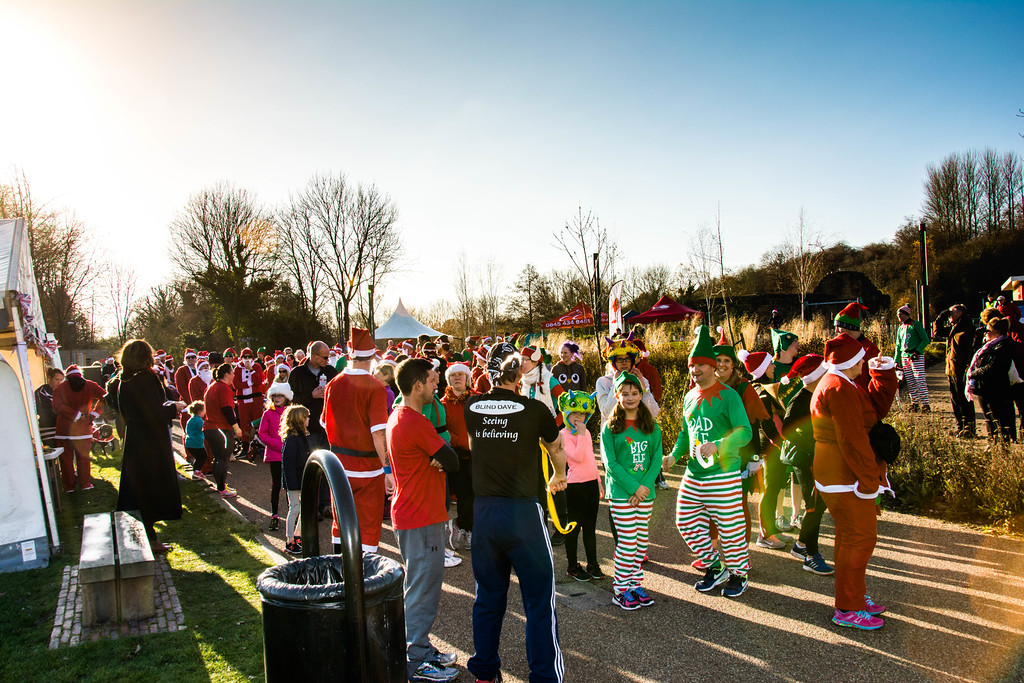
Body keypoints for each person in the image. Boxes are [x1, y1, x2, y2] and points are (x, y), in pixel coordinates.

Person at [465, 342, 568, 683]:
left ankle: (484, 672)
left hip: (485, 513)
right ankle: (544, 676)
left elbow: (474, 445)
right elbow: (556, 446)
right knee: (539, 600)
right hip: (523, 512)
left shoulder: (471, 407)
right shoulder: (534, 409)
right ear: (519, 371)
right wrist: (559, 474)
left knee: (487, 597)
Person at [811, 333, 897, 630]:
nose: (865, 361)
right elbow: (853, 438)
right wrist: (869, 479)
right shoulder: (839, 388)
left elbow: (873, 411)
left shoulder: (842, 382)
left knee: (850, 538)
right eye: (862, 358)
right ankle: (848, 607)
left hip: (840, 474)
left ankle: (854, 596)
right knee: (859, 539)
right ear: (851, 361)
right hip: (844, 476)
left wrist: (882, 373)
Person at [388, 358, 462, 682]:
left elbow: (444, 457)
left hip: (415, 513)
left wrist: (439, 456)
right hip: (419, 516)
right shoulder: (415, 422)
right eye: (432, 381)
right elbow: (453, 460)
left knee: (418, 587)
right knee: (422, 591)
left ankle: (419, 647)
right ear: (417, 385)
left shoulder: (399, 415)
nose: (436, 386)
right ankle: (415, 661)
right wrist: (440, 456)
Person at [666, 325, 753, 599]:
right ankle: (715, 567)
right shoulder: (689, 396)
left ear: (713, 367)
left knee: (730, 529)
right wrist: (673, 456)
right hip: (694, 474)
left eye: (701, 365)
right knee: (684, 521)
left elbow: (745, 432)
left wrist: (719, 444)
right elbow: (685, 433)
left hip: (723, 474)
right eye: (693, 365)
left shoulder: (729, 396)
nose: (695, 370)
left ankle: (739, 574)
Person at [105, 339, 186, 552]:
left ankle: (147, 536)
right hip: (151, 441)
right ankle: (150, 539)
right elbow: (153, 413)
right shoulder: (145, 379)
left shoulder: (122, 379)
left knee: (139, 489)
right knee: (151, 488)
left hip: (135, 438)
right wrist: (174, 408)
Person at [322, 328, 393, 553]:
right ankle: (363, 574)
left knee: (340, 523)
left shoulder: (333, 384)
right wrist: (388, 470)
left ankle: (340, 571)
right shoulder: (375, 387)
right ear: (373, 356)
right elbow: (378, 434)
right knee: (368, 528)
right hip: (368, 469)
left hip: (338, 466)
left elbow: (324, 423)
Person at [602, 373, 661, 609]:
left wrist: (644, 487)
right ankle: (620, 589)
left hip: (645, 494)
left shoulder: (651, 426)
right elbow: (611, 464)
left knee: (640, 542)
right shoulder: (610, 428)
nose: (630, 398)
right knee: (627, 542)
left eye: (634, 393)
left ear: (641, 395)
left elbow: (656, 459)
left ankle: (635, 584)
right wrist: (634, 488)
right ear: (617, 395)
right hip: (621, 494)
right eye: (625, 393)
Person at [780, 355, 834, 576]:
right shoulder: (801, 399)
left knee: (818, 504)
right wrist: (811, 445)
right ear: (815, 376)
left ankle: (801, 545)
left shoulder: (818, 394)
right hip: (804, 458)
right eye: (825, 372)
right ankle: (811, 556)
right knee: (814, 505)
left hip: (814, 456)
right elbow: (786, 429)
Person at [737, 349, 790, 549]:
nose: (774, 366)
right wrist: (782, 443)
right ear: (762, 368)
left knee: (773, 489)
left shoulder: (761, 388)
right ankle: (765, 535)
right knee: (769, 490)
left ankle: (771, 530)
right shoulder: (761, 392)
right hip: (769, 448)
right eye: (770, 364)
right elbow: (766, 424)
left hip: (772, 446)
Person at [288, 340, 338, 518]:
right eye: (324, 357)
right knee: (309, 467)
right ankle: (310, 507)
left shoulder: (330, 371)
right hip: (308, 428)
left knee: (327, 468)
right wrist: (311, 395)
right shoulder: (297, 373)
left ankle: (325, 504)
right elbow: (291, 401)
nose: (327, 360)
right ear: (314, 356)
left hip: (327, 426)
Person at [558, 389, 604, 583]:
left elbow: (591, 459)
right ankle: (572, 565)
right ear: (567, 413)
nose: (579, 417)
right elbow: (577, 456)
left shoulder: (585, 432)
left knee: (590, 527)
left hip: (591, 483)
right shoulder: (563, 434)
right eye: (575, 413)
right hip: (575, 486)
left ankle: (592, 563)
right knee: (574, 527)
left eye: (583, 414)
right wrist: (583, 434)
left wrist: (598, 482)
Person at [53, 365, 106, 492]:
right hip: (83, 429)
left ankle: (68, 486)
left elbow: (57, 406)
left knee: (66, 459)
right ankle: (85, 484)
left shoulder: (61, 388)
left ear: (67, 376)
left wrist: (74, 414)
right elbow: (106, 396)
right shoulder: (90, 385)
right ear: (80, 375)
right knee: (83, 458)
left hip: (64, 430)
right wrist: (95, 413)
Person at [440, 362, 475, 551]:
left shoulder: (477, 399)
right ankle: (464, 528)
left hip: (478, 456)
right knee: (464, 495)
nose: (457, 378)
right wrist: (462, 441)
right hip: (457, 456)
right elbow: (442, 430)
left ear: (467, 378)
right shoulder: (442, 403)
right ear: (449, 379)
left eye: (461, 374)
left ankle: (464, 526)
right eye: (454, 375)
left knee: (477, 494)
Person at [966, 316, 1017, 443]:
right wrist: (978, 336)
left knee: (999, 418)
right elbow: (975, 353)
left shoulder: (1003, 345)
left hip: (996, 388)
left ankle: (1003, 445)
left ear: (996, 332)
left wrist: (973, 374)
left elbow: (993, 367)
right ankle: (992, 442)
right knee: (988, 418)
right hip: (985, 387)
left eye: (988, 331)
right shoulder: (989, 345)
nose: (985, 333)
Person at [934, 304, 978, 437]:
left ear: (960, 313)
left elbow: (971, 350)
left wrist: (968, 369)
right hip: (952, 369)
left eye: (952, 313)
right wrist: (941, 317)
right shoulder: (953, 328)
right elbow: (938, 332)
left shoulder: (968, 328)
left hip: (961, 369)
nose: (949, 316)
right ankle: (961, 426)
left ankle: (969, 427)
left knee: (964, 400)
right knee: (955, 399)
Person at [595, 335, 659, 421]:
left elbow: (654, 413)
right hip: (613, 429)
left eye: (627, 359)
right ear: (613, 362)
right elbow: (606, 413)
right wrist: (615, 385)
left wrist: (644, 388)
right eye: (620, 359)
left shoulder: (641, 380)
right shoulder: (603, 382)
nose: (624, 363)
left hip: (636, 428)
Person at [203, 363, 244, 498]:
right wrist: (236, 428)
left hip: (210, 428)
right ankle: (221, 488)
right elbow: (227, 409)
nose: (234, 375)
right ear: (226, 374)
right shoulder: (223, 388)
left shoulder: (212, 387)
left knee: (217, 458)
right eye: (232, 373)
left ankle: (220, 486)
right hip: (220, 428)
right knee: (223, 458)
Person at [258, 382, 292, 531]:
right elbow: (262, 434)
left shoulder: (290, 412)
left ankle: (292, 515)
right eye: (275, 396)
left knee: (290, 486)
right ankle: (274, 514)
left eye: (280, 396)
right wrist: (278, 445)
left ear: (286, 398)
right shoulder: (268, 413)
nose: (277, 399)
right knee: (276, 485)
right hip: (275, 455)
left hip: (289, 454)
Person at [280, 404, 311, 555]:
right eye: (306, 417)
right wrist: (291, 484)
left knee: (303, 507)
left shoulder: (300, 437)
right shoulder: (292, 440)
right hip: (294, 481)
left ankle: (298, 534)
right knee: (294, 508)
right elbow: (288, 464)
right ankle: (289, 539)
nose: (308, 419)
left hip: (301, 478)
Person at [894, 303, 931, 412]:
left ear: (906, 314)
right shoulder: (900, 328)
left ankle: (925, 404)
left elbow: (925, 339)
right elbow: (898, 345)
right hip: (905, 356)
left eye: (901, 314)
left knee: (919, 379)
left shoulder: (916, 325)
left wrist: (917, 351)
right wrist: (896, 360)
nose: (899, 316)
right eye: (898, 315)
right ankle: (914, 403)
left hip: (915, 356)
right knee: (910, 381)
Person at [233, 348, 266, 461]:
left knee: (258, 421)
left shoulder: (257, 367)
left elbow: (258, 381)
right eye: (245, 357)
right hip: (243, 401)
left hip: (256, 399)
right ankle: (245, 447)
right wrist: (248, 383)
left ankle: (260, 446)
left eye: (249, 357)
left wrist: (251, 370)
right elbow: (236, 384)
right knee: (244, 423)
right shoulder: (237, 369)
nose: (247, 359)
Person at [35, 368, 64, 447]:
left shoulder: (62, 392)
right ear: (49, 378)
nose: (59, 382)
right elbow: (42, 411)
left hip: (61, 429)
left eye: (61, 380)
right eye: (56, 379)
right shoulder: (41, 392)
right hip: (48, 429)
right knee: (53, 450)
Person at [174, 349, 199, 435]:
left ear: (196, 358)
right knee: (189, 431)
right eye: (188, 358)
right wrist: (191, 401)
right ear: (185, 359)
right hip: (187, 402)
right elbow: (181, 388)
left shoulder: (199, 369)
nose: (191, 359)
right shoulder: (181, 370)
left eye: (193, 357)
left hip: (200, 402)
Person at [183, 401, 208, 481]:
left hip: (189, 443)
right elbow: (204, 428)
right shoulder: (198, 420)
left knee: (198, 458)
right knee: (203, 456)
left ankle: (196, 471)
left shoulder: (191, 419)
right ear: (200, 411)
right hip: (196, 443)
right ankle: (196, 472)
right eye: (204, 410)